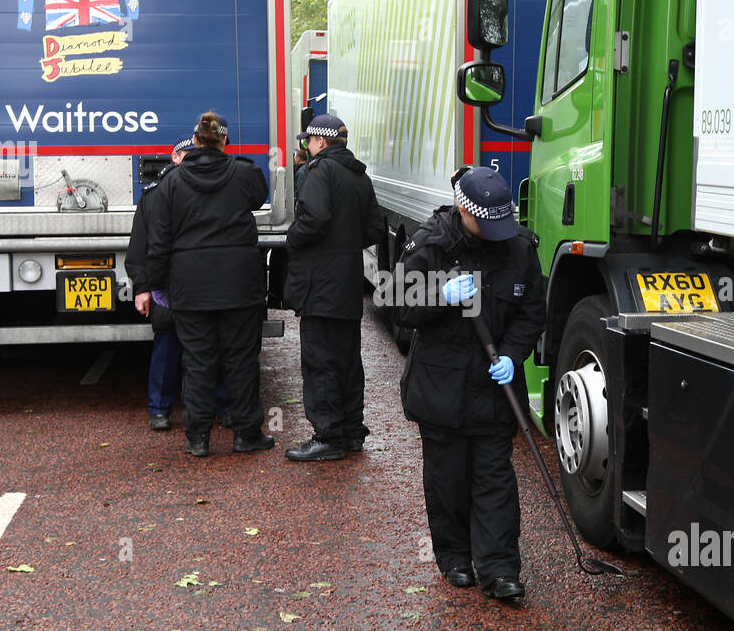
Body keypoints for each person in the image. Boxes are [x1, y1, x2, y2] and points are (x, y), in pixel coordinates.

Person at [396, 166, 545, 602]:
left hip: (492, 391)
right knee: (448, 480)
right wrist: (437, 294)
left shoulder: (518, 248)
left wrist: (514, 355)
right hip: (440, 389)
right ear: (464, 210)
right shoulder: (429, 245)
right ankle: (455, 557)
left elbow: (532, 311)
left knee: (495, 479)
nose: (496, 233)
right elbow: (398, 305)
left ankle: (499, 569)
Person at [144, 111, 273, 457]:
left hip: (190, 286)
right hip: (239, 284)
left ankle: (197, 437)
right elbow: (258, 197)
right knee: (242, 360)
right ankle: (247, 433)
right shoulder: (243, 173)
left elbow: (158, 242)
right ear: (224, 141)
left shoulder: (170, 183)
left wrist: (154, 284)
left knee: (197, 362)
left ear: (194, 140)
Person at [283, 114, 384, 462]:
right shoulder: (359, 175)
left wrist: (291, 238)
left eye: (308, 141)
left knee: (320, 361)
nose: (306, 147)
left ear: (321, 142)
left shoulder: (318, 171)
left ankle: (327, 436)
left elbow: (314, 219)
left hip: (319, 282)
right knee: (347, 361)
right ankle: (352, 431)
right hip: (347, 282)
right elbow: (374, 228)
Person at [127, 137, 192, 430]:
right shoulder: (153, 196)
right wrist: (142, 287)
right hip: (170, 285)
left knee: (173, 347)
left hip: (173, 285)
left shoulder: (155, 194)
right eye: (186, 155)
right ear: (174, 158)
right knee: (170, 347)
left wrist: (143, 287)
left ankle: (162, 410)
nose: (190, 160)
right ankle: (161, 409)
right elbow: (139, 247)